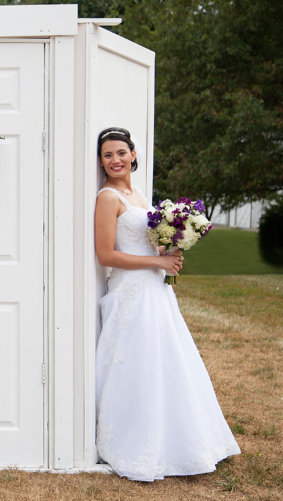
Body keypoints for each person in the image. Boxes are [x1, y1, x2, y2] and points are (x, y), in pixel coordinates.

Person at [93, 127, 239, 481]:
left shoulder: (138, 194)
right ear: (101, 161)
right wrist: (157, 263)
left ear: (133, 155)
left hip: (155, 291)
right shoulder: (108, 198)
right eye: (107, 155)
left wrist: (169, 250)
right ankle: (137, 442)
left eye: (120, 153)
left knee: (166, 361)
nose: (115, 160)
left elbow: (146, 243)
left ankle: (180, 439)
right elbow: (106, 254)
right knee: (139, 364)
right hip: (131, 291)